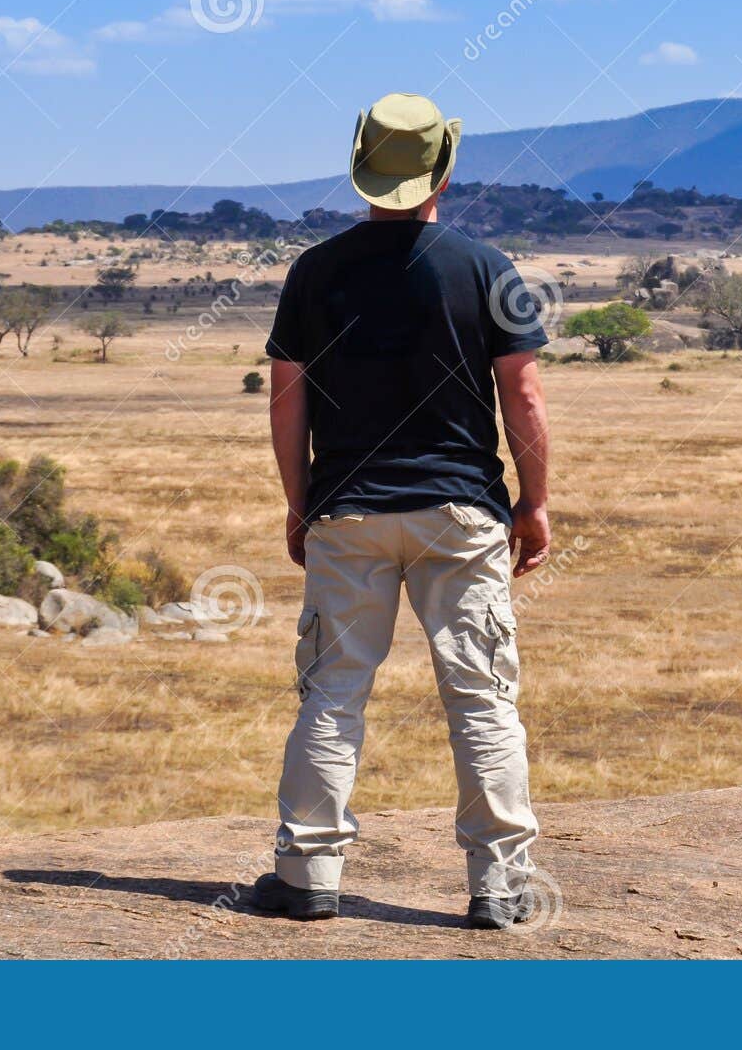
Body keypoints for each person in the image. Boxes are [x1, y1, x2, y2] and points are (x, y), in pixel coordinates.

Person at [252, 92, 553, 930]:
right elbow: (522, 395)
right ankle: (500, 884)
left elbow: (287, 399)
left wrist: (299, 505)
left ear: (362, 165)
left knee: (332, 693)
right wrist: (534, 503)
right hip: (461, 514)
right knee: (483, 697)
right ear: (443, 171)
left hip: (347, 514)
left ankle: (308, 873)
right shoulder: (486, 267)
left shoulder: (315, 270)